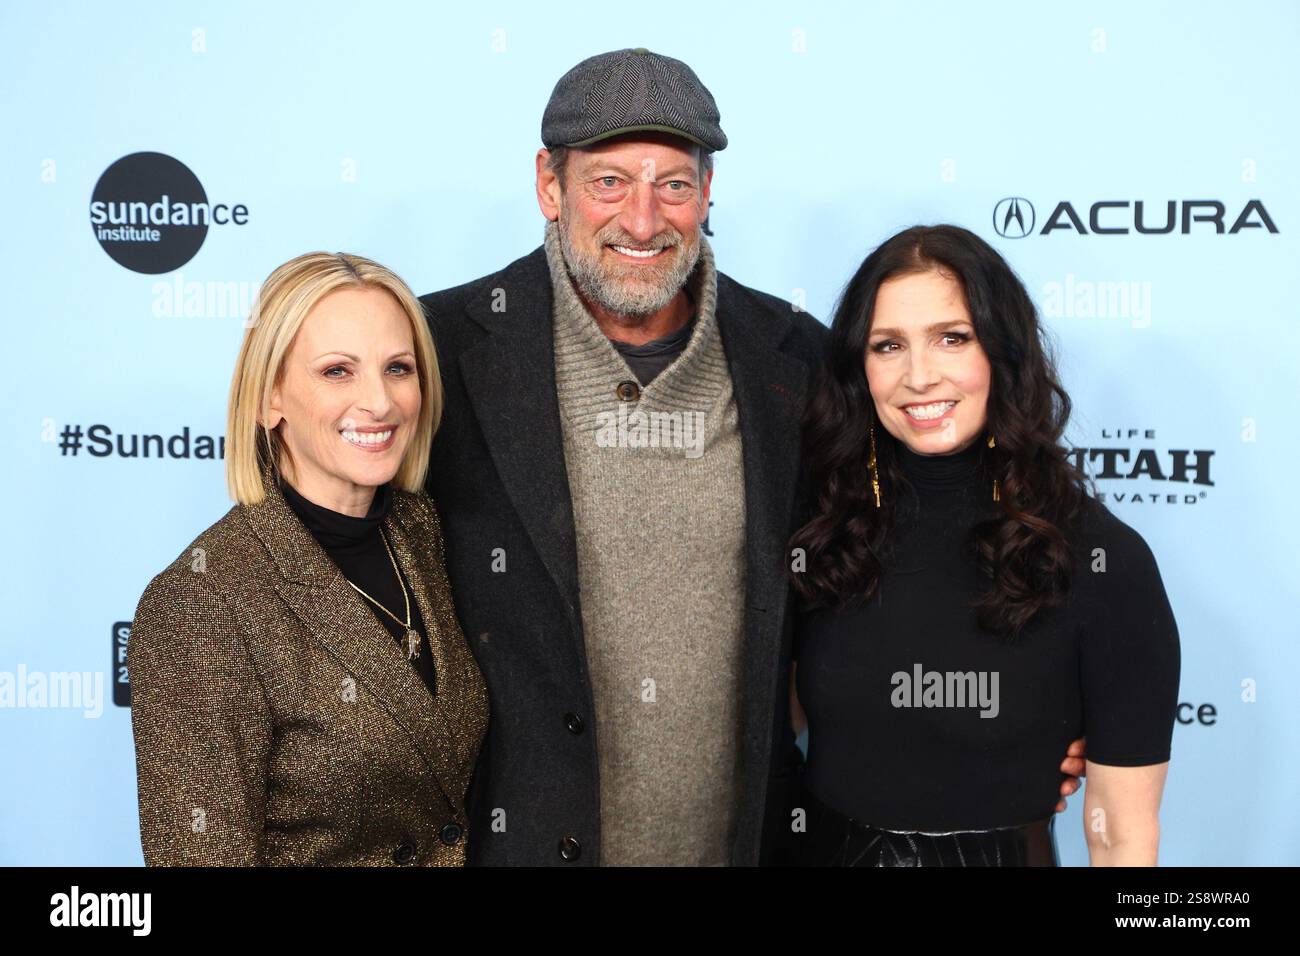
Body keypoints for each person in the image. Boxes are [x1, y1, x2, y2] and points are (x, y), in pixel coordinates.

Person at [420, 49, 1085, 866]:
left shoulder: (794, 360)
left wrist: (1024, 716)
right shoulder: (441, 351)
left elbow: (914, 542)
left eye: (673, 183)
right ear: (548, 185)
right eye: (609, 181)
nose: (642, 219)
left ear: (706, 192)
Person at [786, 224, 1180, 866]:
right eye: (888, 345)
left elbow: (1122, 837)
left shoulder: (1101, 561)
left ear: (1002, 349)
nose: (919, 376)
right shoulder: (824, 530)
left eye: (952, 338)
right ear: (860, 366)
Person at [128, 252, 488, 865]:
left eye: (398, 368)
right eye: (337, 371)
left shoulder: (421, 531)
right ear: (271, 397)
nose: (379, 402)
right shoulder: (203, 603)